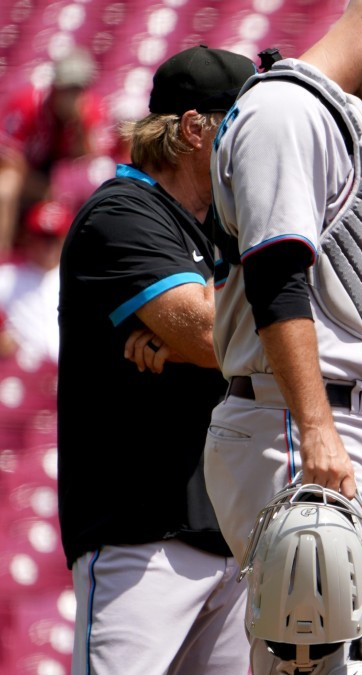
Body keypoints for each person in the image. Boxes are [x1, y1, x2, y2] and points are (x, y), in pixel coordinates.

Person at [203, 1, 362, 673]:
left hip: (315, 422)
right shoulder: (287, 110)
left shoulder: (328, 110)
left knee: (312, 661)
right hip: (295, 424)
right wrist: (318, 428)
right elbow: (275, 273)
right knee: (343, 662)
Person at [57, 45, 256, 675]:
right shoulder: (121, 213)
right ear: (196, 128)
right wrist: (220, 338)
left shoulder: (229, 228)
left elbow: (227, 334)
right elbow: (208, 334)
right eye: (243, 122)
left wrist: (212, 336)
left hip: (231, 536)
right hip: (140, 537)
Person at [0, 48, 114, 255]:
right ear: (54, 87)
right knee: (5, 186)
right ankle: (3, 257)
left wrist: (80, 124)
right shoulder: (29, 104)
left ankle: (89, 255)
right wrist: (43, 187)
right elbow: (9, 158)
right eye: (66, 89)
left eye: (77, 89)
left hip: (62, 177)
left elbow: (92, 158)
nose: (71, 96)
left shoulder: (93, 110)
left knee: (101, 183)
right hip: (28, 175)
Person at [0, 199, 71, 366]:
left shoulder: (79, 279)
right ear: (29, 237)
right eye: (41, 237)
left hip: (69, 373)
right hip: (25, 374)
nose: (47, 246)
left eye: (53, 238)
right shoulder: (8, 277)